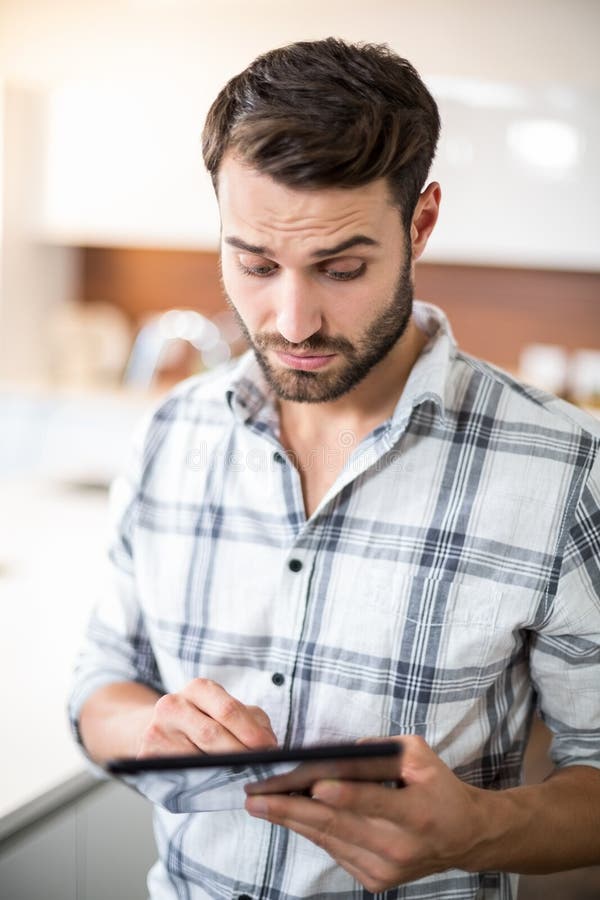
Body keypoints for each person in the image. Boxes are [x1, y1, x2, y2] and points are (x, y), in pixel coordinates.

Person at [69, 37, 600, 900]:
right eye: (254, 263)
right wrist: (150, 727)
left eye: (342, 268)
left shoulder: (563, 467)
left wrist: (478, 828)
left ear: (420, 223)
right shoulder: (171, 432)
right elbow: (100, 686)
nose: (293, 320)